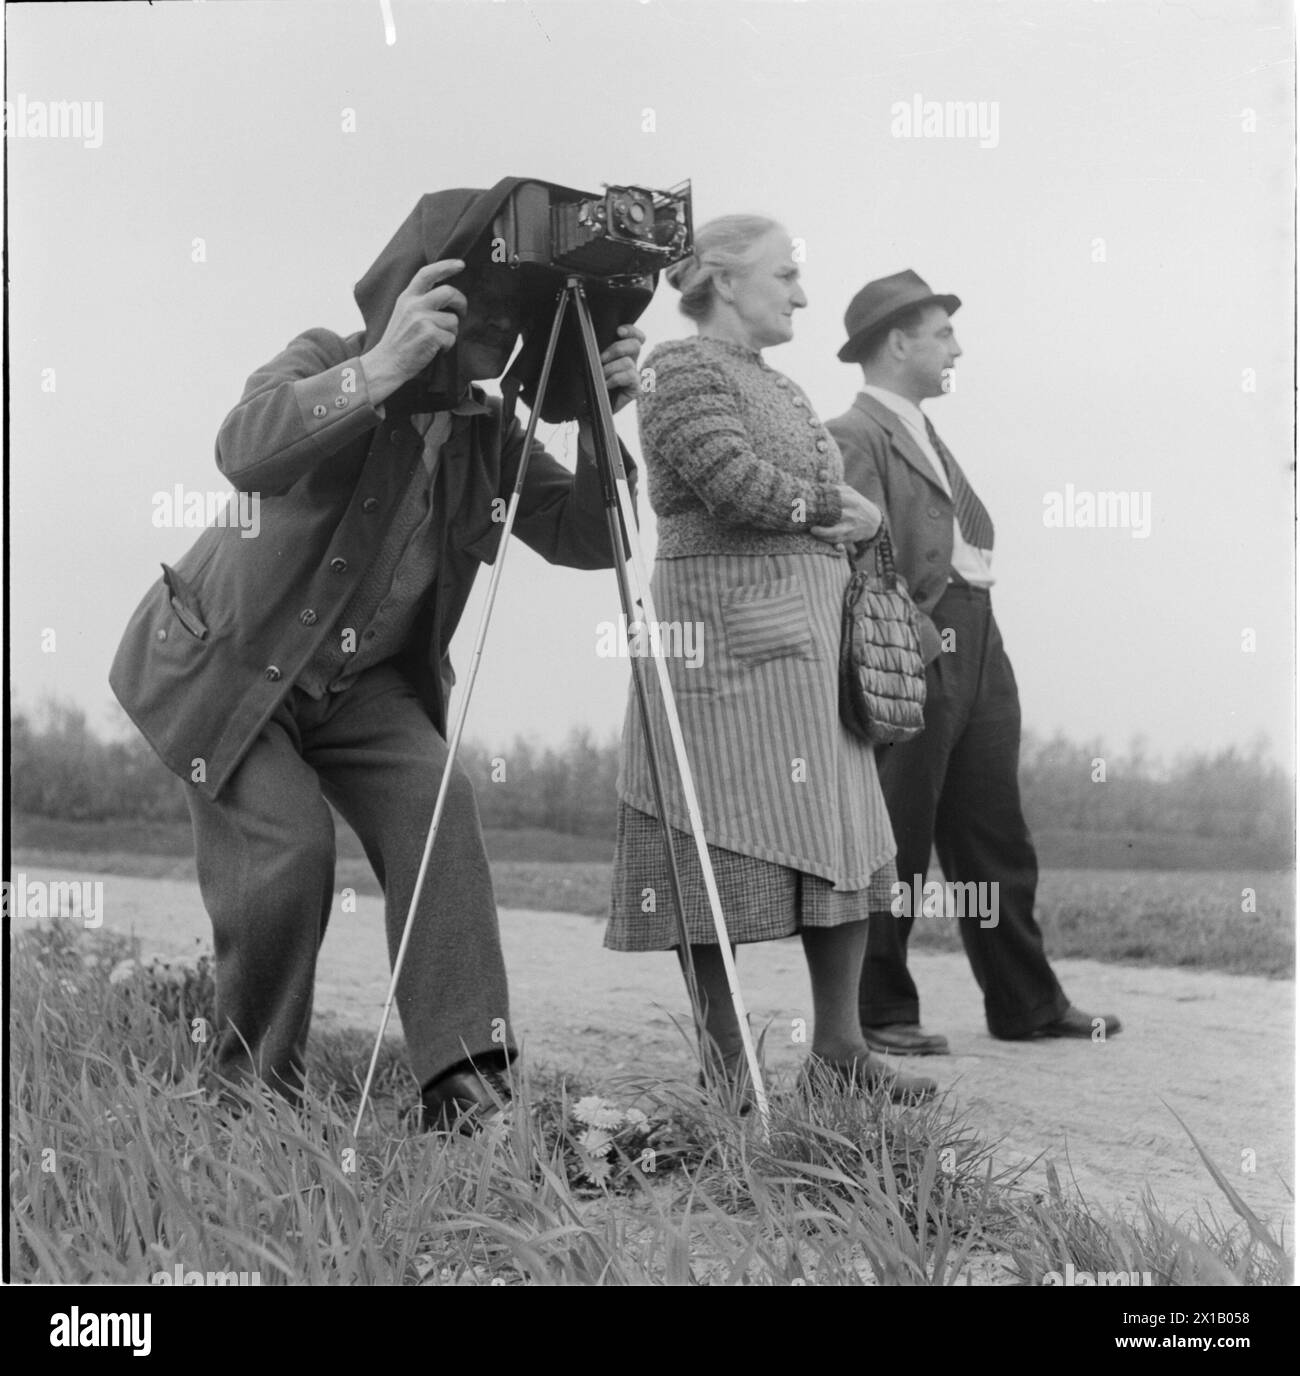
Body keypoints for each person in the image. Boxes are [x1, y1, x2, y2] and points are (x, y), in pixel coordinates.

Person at [109, 186, 646, 1129]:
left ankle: (463, 1085)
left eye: (516, 318)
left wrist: (599, 417)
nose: (496, 330)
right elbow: (244, 447)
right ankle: (247, 1101)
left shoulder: (490, 431)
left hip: (361, 692)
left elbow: (593, 537)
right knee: (287, 853)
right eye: (476, 303)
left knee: (438, 801)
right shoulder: (328, 356)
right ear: (416, 289)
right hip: (232, 672)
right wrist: (385, 370)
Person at [605, 218, 938, 1105]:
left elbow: (787, 494)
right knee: (711, 830)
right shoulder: (677, 371)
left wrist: (846, 525)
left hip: (810, 639)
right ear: (720, 279)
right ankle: (724, 1061)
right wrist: (845, 509)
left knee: (841, 830)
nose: (799, 293)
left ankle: (839, 1050)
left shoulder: (784, 386)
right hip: (721, 636)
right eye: (785, 275)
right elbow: (734, 483)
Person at [826, 269, 1121, 1054]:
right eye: (942, 333)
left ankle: (1026, 1003)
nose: (957, 347)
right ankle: (878, 1012)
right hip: (916, 635)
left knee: (995, 831)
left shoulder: (921, 428)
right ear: (897, 342)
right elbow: (852, 561)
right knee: (898, 826)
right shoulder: (854, 434)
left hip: (979, 630)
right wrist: (904, 647)